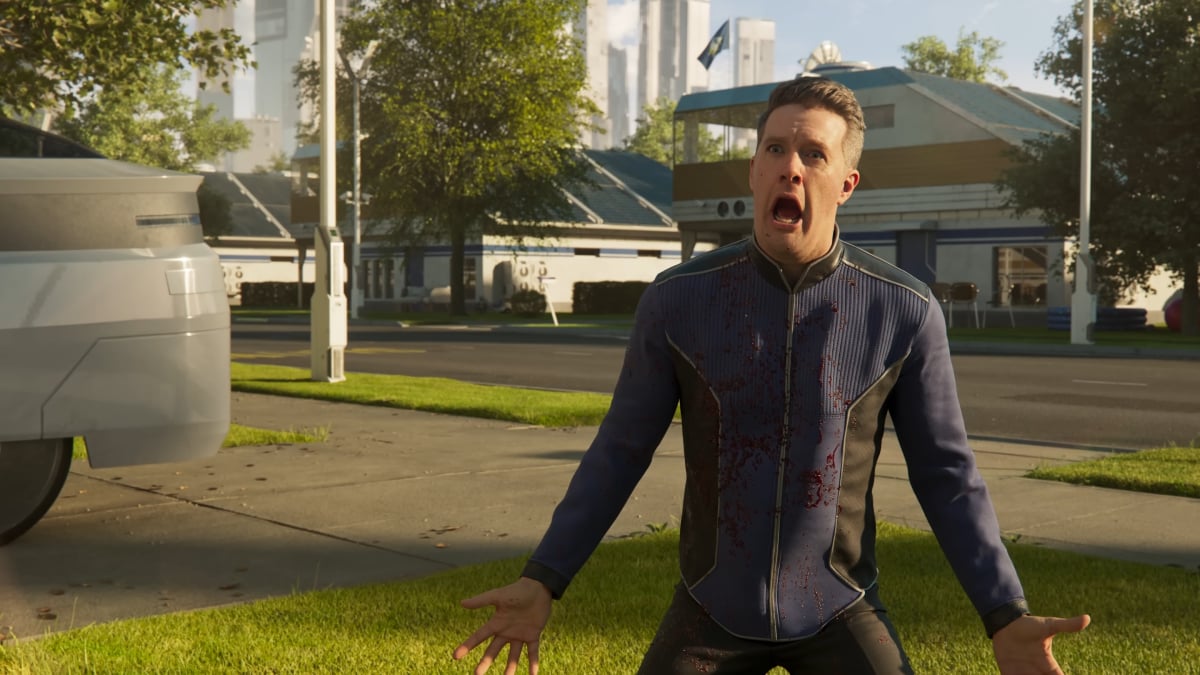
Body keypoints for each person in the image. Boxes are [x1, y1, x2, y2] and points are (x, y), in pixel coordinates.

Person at [453, 76, 1090, 674]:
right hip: (711, 608)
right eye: (776, 149)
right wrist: (543, 579)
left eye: (814, 154)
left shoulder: (902, 309)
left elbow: (946, 474)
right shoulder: (677, 300)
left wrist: (1005, 614)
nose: (792, 167)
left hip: (839, 606)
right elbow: (618, 452)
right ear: (755, 170)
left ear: (846, 183)